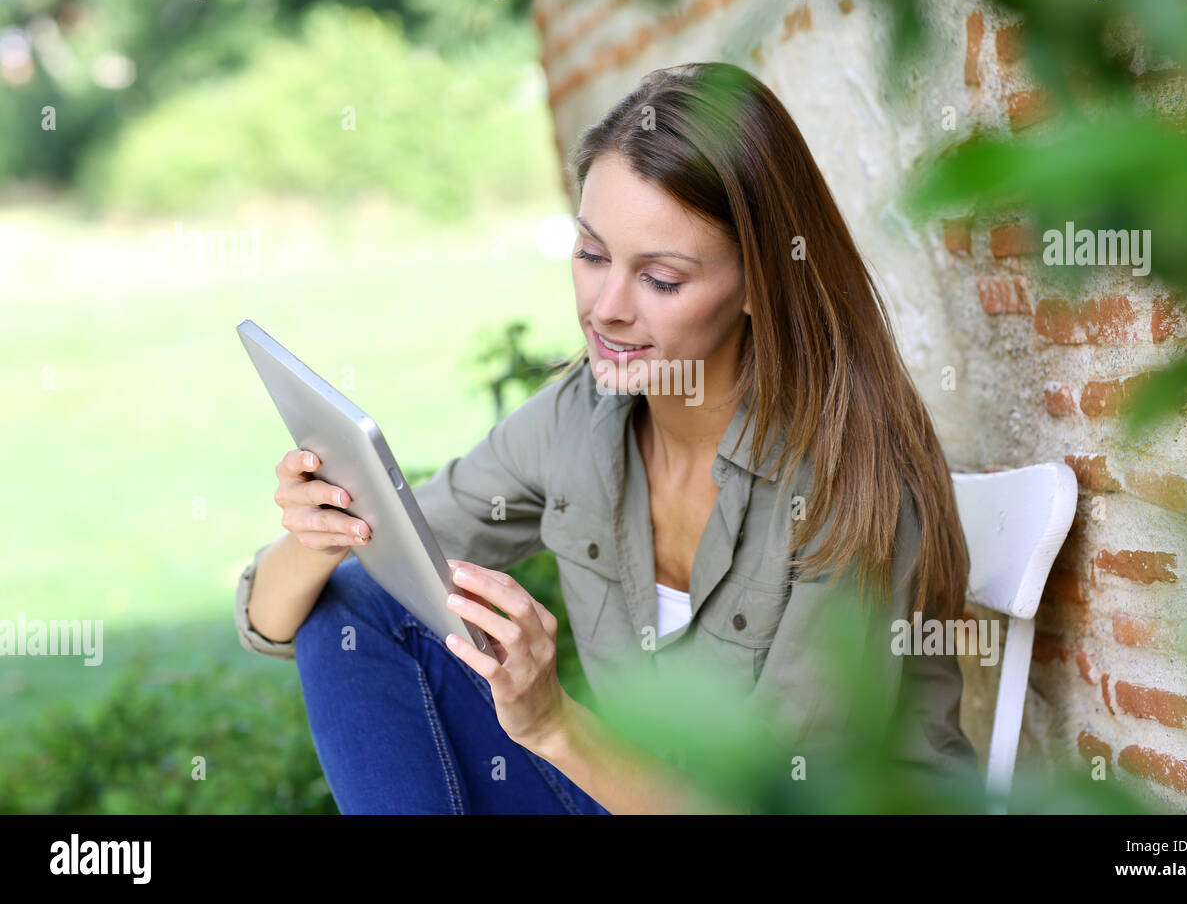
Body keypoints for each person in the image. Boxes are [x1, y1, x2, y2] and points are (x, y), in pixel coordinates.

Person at [234, 61, 980, 814]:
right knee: (356, 601)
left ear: (761, 281)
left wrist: (552, 724)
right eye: (592, 256)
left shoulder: (849, 484)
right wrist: (323, 533)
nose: (605, 308)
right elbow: (272, 621)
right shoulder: (579, 420)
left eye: (660, 278)